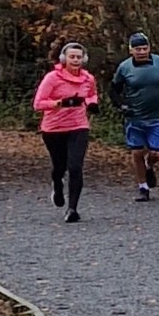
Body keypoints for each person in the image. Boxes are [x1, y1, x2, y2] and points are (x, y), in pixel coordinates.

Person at [32, 42, 99, 223]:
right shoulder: (52, 78)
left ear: (83, 59)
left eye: (79, 57)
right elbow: (38, 103)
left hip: (78, 126)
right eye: (72, 57)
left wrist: (92, 103)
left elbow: (92, 94)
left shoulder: (88, 78)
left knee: (75, 167)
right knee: (59, 167)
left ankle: (72, 209)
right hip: (54, 128)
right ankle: (57, 184)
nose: (75, 60)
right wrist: (58, 103)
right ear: (64, 59)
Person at [111, 32, 159, 202]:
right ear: (131, 50)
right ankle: (143, 188)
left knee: (156, 153)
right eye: (137, 49)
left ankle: (149, 165)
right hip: (135, 116)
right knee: (137, 152)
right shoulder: (124, 68)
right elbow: (114, 91)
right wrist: (122, 106)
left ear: (149, 48)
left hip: (155, 116)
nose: (141, 52)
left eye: (144, 48)